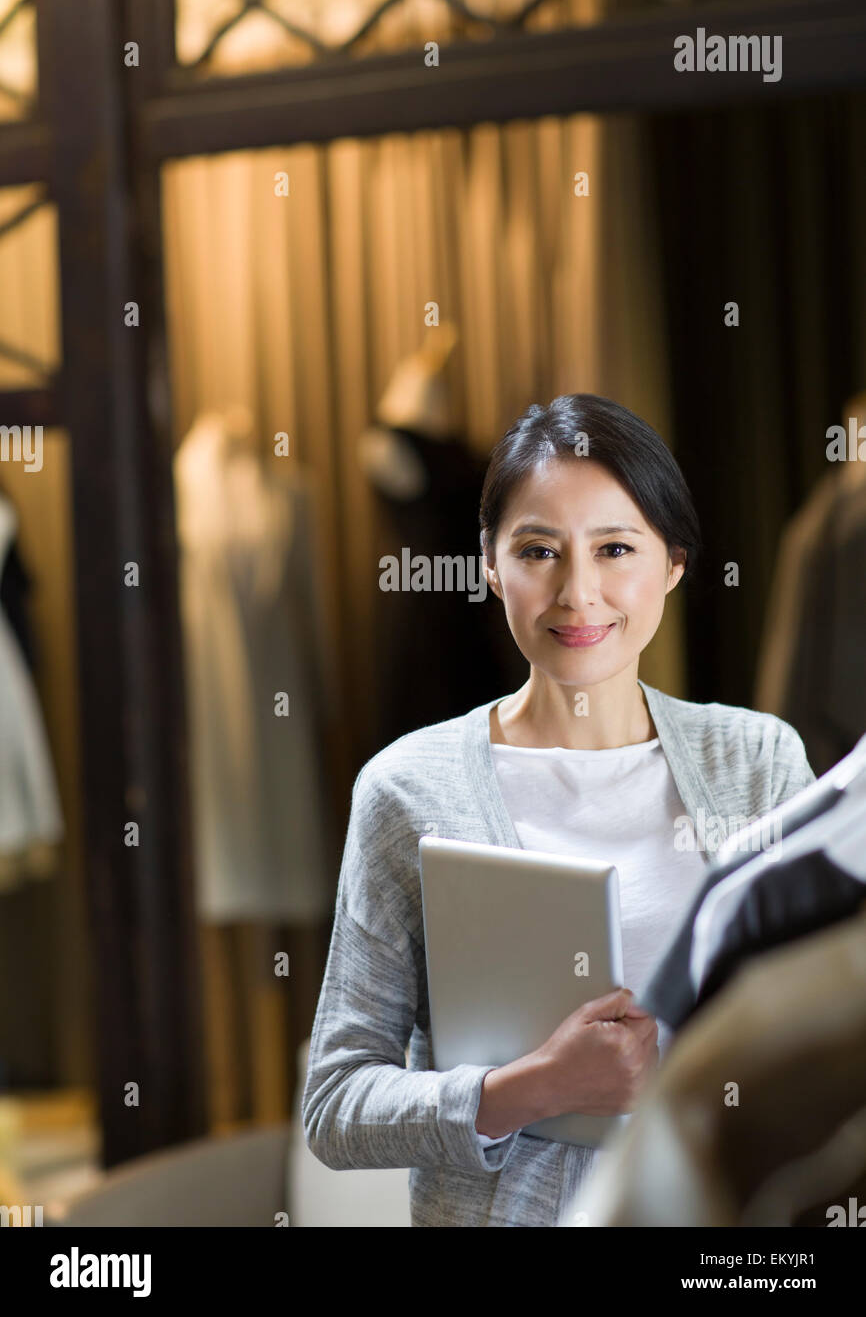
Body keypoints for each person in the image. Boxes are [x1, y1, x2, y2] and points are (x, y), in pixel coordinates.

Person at [302, 394, 816, 1227]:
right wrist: (533, 1089)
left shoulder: (757, 763)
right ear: (490, 565)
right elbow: (336, 1103)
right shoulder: (407, 789)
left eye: (616, 548)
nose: (579, 594)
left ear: (674, 562)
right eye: (539, 551)